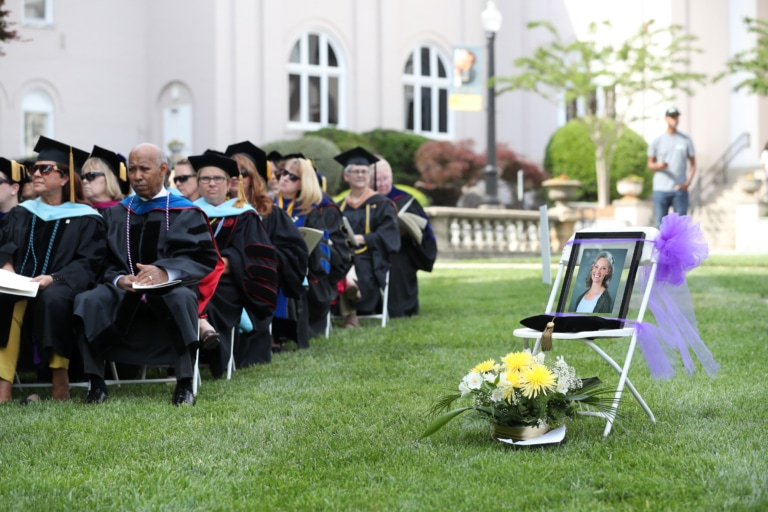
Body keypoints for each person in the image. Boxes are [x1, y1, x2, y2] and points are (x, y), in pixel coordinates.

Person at [73, 143, 219, 406]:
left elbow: (202, 257)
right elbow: (102, 261)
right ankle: (96, 383)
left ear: (163, 169)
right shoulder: (118, 213)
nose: (137, 176)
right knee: (87, 300)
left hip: (169, 287)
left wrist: (164, 271)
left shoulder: (185, 211)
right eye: (132, 169)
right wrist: (120, 279)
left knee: (182, 298)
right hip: (125, 290)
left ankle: (184, 383)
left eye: (144, 169)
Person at [0, 136, 107, 403]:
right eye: (34, 169)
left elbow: (89, 262)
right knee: (4, 299)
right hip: (21, 283)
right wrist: (8, 267)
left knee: (54, 299)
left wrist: (54, 278)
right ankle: (3, 387)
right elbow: (6, 246)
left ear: (65, 178)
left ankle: (60, 380)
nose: (36, 173)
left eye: (45, 169)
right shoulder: (22, 213)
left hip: (61, 284)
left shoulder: (87, 217)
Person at [189, 151, 278, 377]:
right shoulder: (187, 212)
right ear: (198, 183)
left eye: (217, 179)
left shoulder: (244, 215)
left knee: (214, 297)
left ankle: (214, 356)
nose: (211, 184)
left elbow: (253, 258)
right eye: (205, 179)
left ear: (229, 184)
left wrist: (220, 265)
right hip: (191, 277)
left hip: (229, 283)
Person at [225, 142, 307, 363]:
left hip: (259, 282)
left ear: (254, 178)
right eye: (230, 172)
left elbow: (294, 252)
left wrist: (262, 260)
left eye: (242, 173)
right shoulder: (214, 212)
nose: (236, 178)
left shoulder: (270, 213)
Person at [335, 147, 400, 328]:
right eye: (356, 171)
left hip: (371, 257)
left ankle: (351, 311)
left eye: (364, 171)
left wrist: (361, 239)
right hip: (343, 254)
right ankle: (348, 288)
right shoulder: (339, 206)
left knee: (356, 264)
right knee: (336, 263)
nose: (361, 175)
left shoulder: (382, 204)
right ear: (346, 176)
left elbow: (389, 235)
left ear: (370, 176)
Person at [274, 155, 330, 348]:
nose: (285, 178)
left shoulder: (310, 212)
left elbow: (320, 247)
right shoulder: (267, 205)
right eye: (284, 173)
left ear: (303, 184)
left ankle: (283, 334)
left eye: (293, 177)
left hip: (299, 270)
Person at [372, 157, 437, 317]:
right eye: (377, 180)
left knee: (398, 262)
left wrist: (407, 231)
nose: (382, 183)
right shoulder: (366, 199)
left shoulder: (406, 200)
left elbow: (424, 231)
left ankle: (401, 309)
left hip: (402, 249)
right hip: (372, 247)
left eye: (385, 178)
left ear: (392, 177)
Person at [647, 106, 696, 226]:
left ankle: (678, 246)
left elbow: (693, 164)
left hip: (679, 190)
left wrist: (688, 182)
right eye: (672, 117)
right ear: (666, 119)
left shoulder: (686, 140)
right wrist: (659, 165)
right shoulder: (657, 141)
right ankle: (661, 246)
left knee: (681, 226)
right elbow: (650, 164)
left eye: (676, 117)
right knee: (660, 225)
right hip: (660, 190)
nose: (675, 119)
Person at [82, 145, 130, 212]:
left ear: (111, 179)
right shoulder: (81, 213)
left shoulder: (126, 214)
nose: (84, 181)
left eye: (91, 175)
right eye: (83, 177)